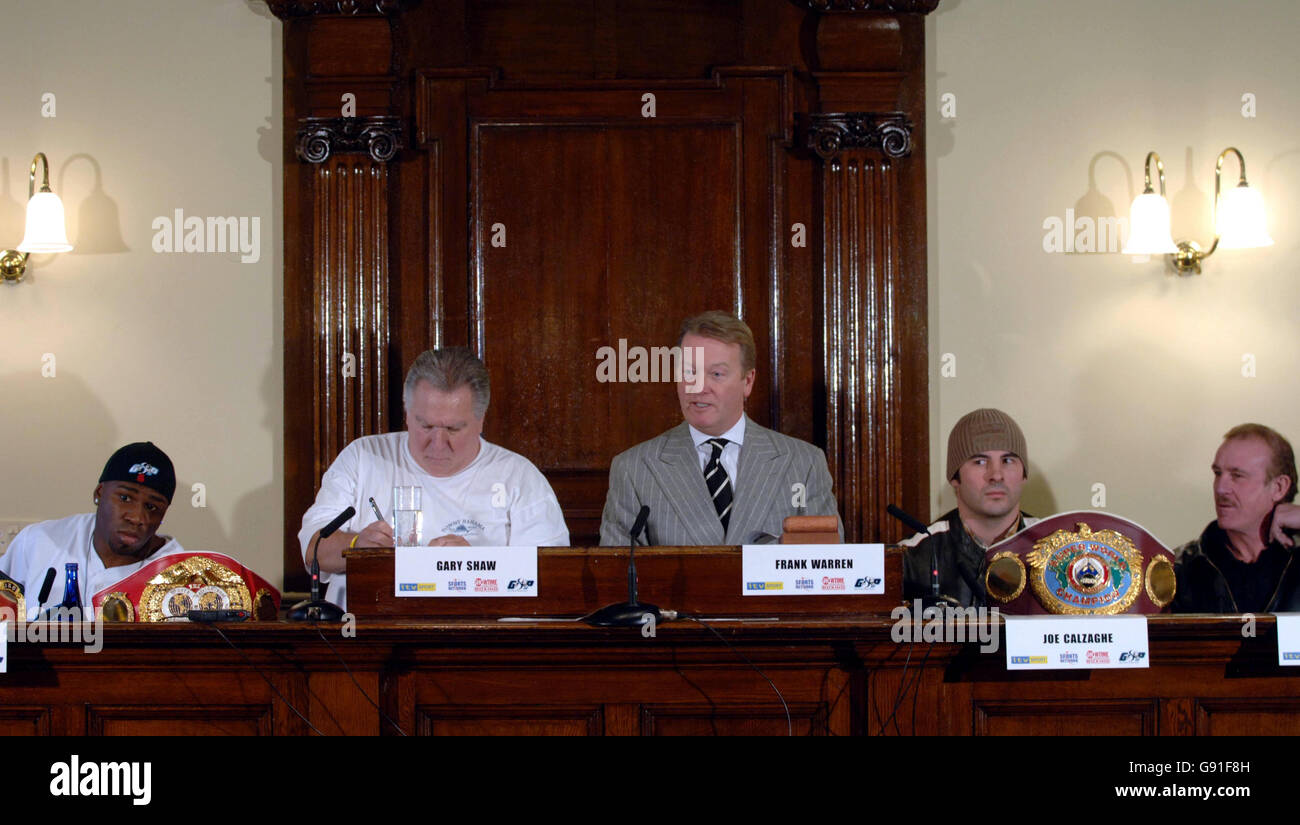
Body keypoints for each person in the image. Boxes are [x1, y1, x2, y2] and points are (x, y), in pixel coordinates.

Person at [299, 347, 569, 609]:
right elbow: (313, 549)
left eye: (453, 429)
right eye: (425, 426)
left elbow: (551, 583)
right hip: (363, 641)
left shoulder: (519, 478)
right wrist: (357, 546)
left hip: (480, 644)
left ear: (481, 420)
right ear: (406, 413)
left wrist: (473, 569)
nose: (437, 444)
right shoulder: (363, 457)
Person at [599, 310, 841, 546]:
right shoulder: (634, 469)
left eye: (716, 374)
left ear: (747, 381)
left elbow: (828, 569)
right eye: (689, 372)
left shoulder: (804, 464)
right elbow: (618, 576)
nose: (699, 386)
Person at [0, 442, 186, 620]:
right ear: (99, 493)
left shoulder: (180, 576)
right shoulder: (39, 541)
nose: (137, 518)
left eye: (152, 507)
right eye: (125, 497)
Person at [900, 409, 1037, 607]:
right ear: (955, 477)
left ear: (1024, 474)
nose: (996, 475)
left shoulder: (1056, 549)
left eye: (1008, 460)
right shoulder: (912, 559)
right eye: (980, 462)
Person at [1173, 424, 1300, 613]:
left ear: (1279, 487)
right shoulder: (1179, 571)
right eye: (1217, 473)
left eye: (1237, 476)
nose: (1220, 488)